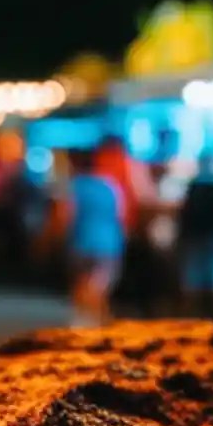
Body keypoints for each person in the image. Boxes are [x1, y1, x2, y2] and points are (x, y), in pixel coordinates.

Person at [94, 135, 159, 317]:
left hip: (102, 232)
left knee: (100, 281)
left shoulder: (99, 165)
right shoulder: (131, 165)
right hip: (124, 230)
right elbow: (144, 199)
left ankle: (98, 316)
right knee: (112, 277)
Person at [66, 150, 125, 327]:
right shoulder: (110, 186)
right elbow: (122, 215)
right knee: (100, 287)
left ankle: (84, 322)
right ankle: (98, 323)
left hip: (81, 242)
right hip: (109, 244)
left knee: (83, 284)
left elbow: (65, 215)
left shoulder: (74, 186)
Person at [177, 155, 213, 317]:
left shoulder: (195, 185)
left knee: (194, 269)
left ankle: (192, 307)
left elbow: (185, 211)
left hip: (196, 232)